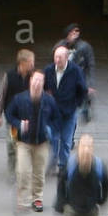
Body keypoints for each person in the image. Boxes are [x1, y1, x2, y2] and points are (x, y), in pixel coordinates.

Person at [4, 71, 57, 213]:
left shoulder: (49, 100)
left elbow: (56, 119)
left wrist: (49, 128)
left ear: (43, 83)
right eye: (35, 80)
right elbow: (9, 114)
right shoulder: (19, 99)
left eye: (40, 81)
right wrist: (19, 123)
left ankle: (37, 198)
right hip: (23, 142)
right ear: (30, 81)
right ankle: (23, 200)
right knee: (23, 171)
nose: (37, 83)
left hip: (42, 143)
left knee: (39, 173)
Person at [56, 134, 108, 216]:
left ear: (93, 149)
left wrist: (101, 200)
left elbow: (106, 185)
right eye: (83, 146)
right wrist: (61, 203)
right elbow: (61, 183)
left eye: (89, 146)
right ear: (78, 148)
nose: (86, 149)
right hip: (72, 210)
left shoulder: (99, 166)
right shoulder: (70, 164)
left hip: (90, 212)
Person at [43, 45, 88, 175]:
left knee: (66, 141)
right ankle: (53, 162)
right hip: (53, 113)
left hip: (69, 112)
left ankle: (63, 166)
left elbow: (82, 90)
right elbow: (44, 87)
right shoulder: (49, 70)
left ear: (67, 58)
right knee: (53, 138)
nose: (57, 60)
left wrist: (76, 104)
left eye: (60, 57)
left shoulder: (76, 71)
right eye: (55, 57)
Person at [0, 49, 35, 179]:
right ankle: (13, 168)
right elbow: (2, 94)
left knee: (27, 143)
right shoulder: (9, 76)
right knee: (12, 142)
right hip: (13, 118)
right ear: (23, 63)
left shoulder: (33, 76)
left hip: (28, 117)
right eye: (31, 62)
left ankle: (24, 167)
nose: (33, 64)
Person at [59, 24, 96, 122]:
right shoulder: (61, 45)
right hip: (66, 77)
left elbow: (90, 65)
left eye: (76, 32)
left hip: (80, 76)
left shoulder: (84, 46)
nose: (74, 34)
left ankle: (85, 110)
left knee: (83, 95)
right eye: (72, 32)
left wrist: (90, 83)